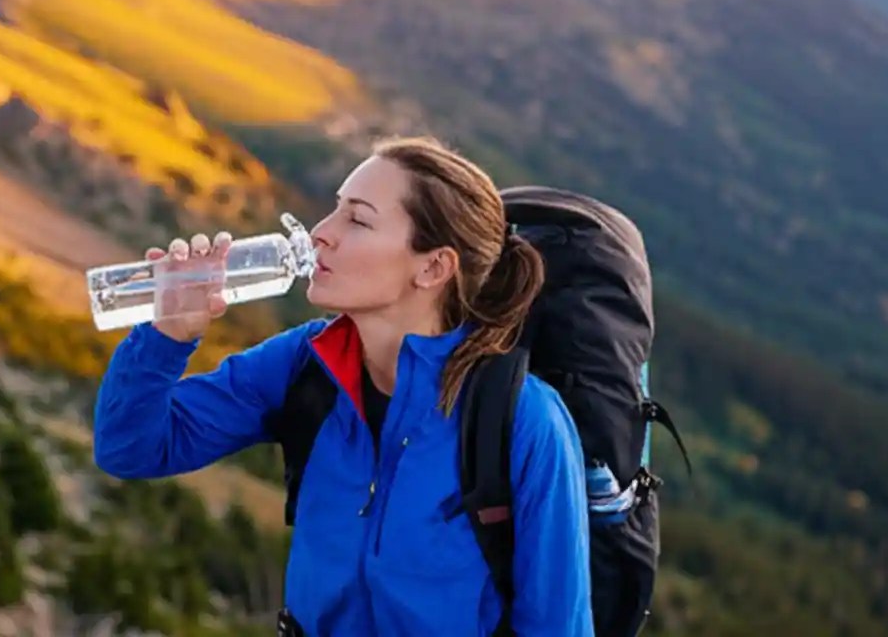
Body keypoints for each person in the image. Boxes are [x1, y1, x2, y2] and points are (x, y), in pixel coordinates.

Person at [93, 136, 594, 636]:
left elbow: (557, 625)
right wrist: (167, 336)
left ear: (434, 267)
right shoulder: (304, 364)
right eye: (334, 211)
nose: (319, 235)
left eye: (357, 219)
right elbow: (131, 448)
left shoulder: (522, 421)